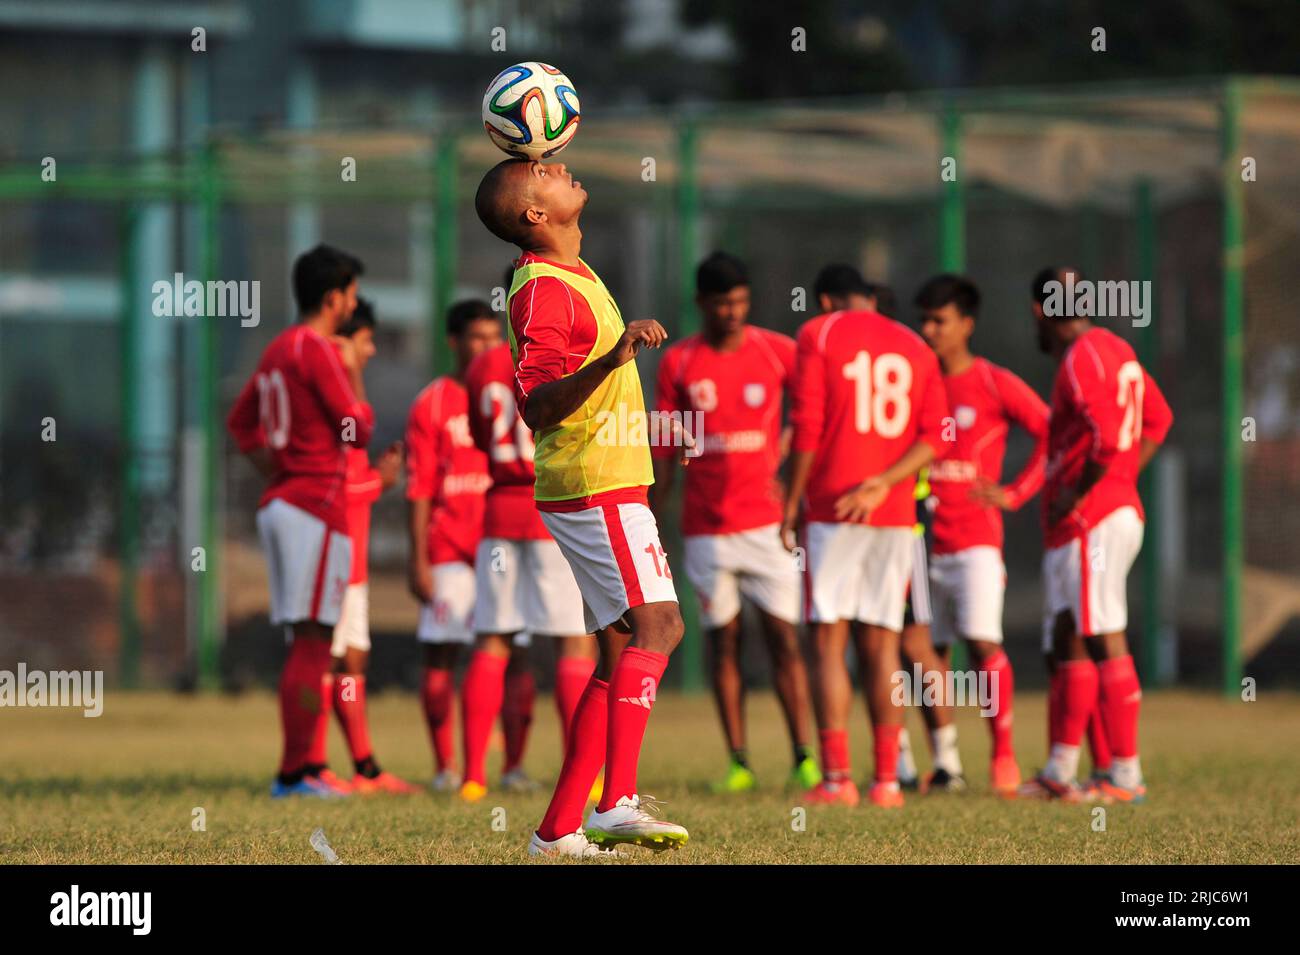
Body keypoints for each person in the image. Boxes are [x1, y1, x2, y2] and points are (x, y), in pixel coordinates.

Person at [475, 156, 692, 856]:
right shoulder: (541, 291)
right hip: (590, 481)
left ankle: (557, 829)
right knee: (661, 624)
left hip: (609, 479)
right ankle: (617, 801)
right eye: (544, 170)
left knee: (622, 647)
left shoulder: (577, 273)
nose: (562, 166)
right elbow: (536, 405)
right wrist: (614, 357)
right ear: (535, 214)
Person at [782, 263, 949, 809]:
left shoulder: (819, 333)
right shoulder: (915, 345)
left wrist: (790, 504)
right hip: (896, 511)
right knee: (882, 644)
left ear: (826, 300)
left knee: (829, 640)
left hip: (833, 507)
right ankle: (885, 784)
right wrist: (884, 482)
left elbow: (806, 426)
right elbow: (935, 438)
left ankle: (837, 781)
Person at [651, 250, 818, 794]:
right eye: (723, 303)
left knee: (784, 642)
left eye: (741, 301)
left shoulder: (775, 351)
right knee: (724, 643)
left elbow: (815, 404)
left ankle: (804, 757)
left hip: (769, 527)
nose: (733, 311)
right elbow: (666, 444)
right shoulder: (679, 362)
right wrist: (656, 516)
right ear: (702, 303)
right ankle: (739, 762)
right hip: (706, 530)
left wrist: (790, 452)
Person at [1019, 267, 1173, 803]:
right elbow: (1158, 418)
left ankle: (1125, 775)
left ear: (1040, 311)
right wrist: (1122, 477)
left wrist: (1087, 490)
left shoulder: (1082, 357)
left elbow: (1108, 436)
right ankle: (1062, 771)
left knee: (1103, 633)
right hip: (1098, 515)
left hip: (1095, 519)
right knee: (1070, 634)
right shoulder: (1115, 348)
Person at [226, 243, 371, 798]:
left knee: (309, 639)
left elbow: (242, 424)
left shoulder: (278, 347)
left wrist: (280, 472)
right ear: (334, 298)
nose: (354, 306)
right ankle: (296, 773)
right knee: (314, 643)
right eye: (351, 296)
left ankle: (307, 766)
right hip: (315, 505)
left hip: (289, 502)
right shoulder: (316, 348)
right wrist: (354, 379)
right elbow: (355, 423)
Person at [915, 274, 1050, 797]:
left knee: (983, 644)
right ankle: (945, 764)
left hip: (975, 542)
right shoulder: (917, 379)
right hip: (921, 540)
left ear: (966, 325)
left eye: (939, 320)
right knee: (929, 653)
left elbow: (1049, 429)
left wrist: (1016, 492)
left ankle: (1003, 756)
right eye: (923, 318)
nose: (929, 330)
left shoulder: (993, 381)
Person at [460, 320, 601, 802]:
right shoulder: (556, 355)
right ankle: (583, 774)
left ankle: (474, 777)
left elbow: (480, 437)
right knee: (573, 646)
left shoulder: (481, 364)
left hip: (498, 512)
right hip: (548, 508)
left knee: (492, 641)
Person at [307, 298, 417, 794]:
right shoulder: (322, 391)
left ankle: (364, 768)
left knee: (351, 660)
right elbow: (323, 482)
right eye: (366, 340)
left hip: (349, 556)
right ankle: (310, 768)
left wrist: (376, 476)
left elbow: (348, 472)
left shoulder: (350, 395)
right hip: (324, 552)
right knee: (321, 659)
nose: (372, 350)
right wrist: (381, 482)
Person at [405, 300, 500, 791]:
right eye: (475, 338)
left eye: (493, 336)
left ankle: (512, 767)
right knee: (441, 652)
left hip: (503, 542)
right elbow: (418, 486)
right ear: (454, 342)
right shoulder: (433, 403)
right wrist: (417, 558)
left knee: (509, 652)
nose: (485, 347)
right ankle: (446, 767)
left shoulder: (509, 392)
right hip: (448, 550)